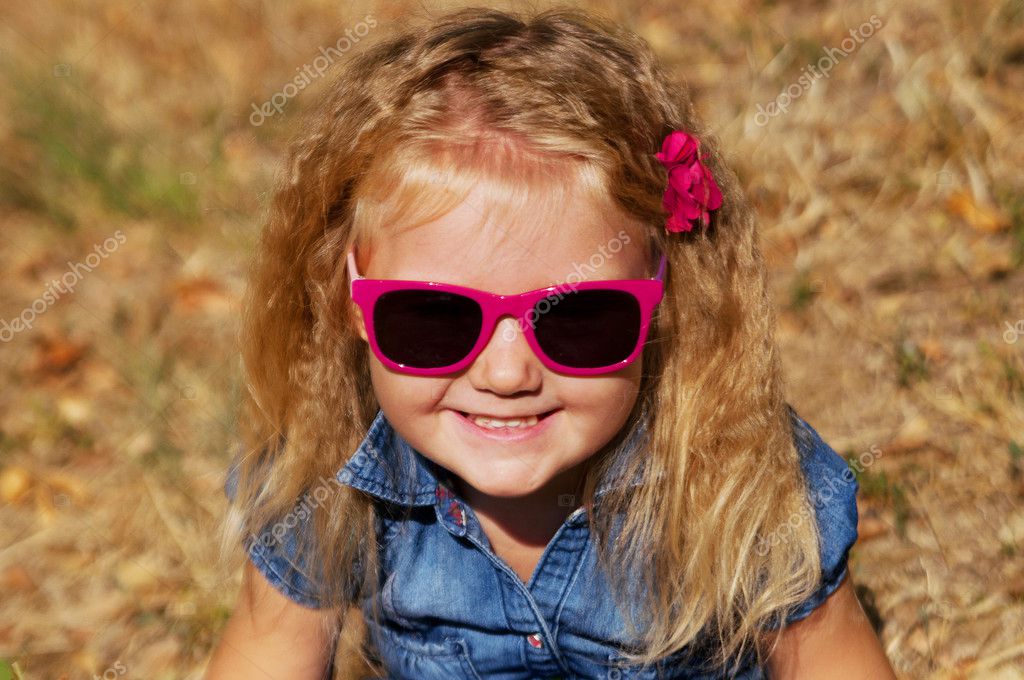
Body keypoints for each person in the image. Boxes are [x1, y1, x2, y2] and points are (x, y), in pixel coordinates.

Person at [204, 7, 897, 679]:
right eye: (434, 320)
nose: (507, 374)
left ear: (664, 301)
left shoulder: (736, 475)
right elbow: (266, 659)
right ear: (347, 299)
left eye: (578, 321)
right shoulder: (322, 480)